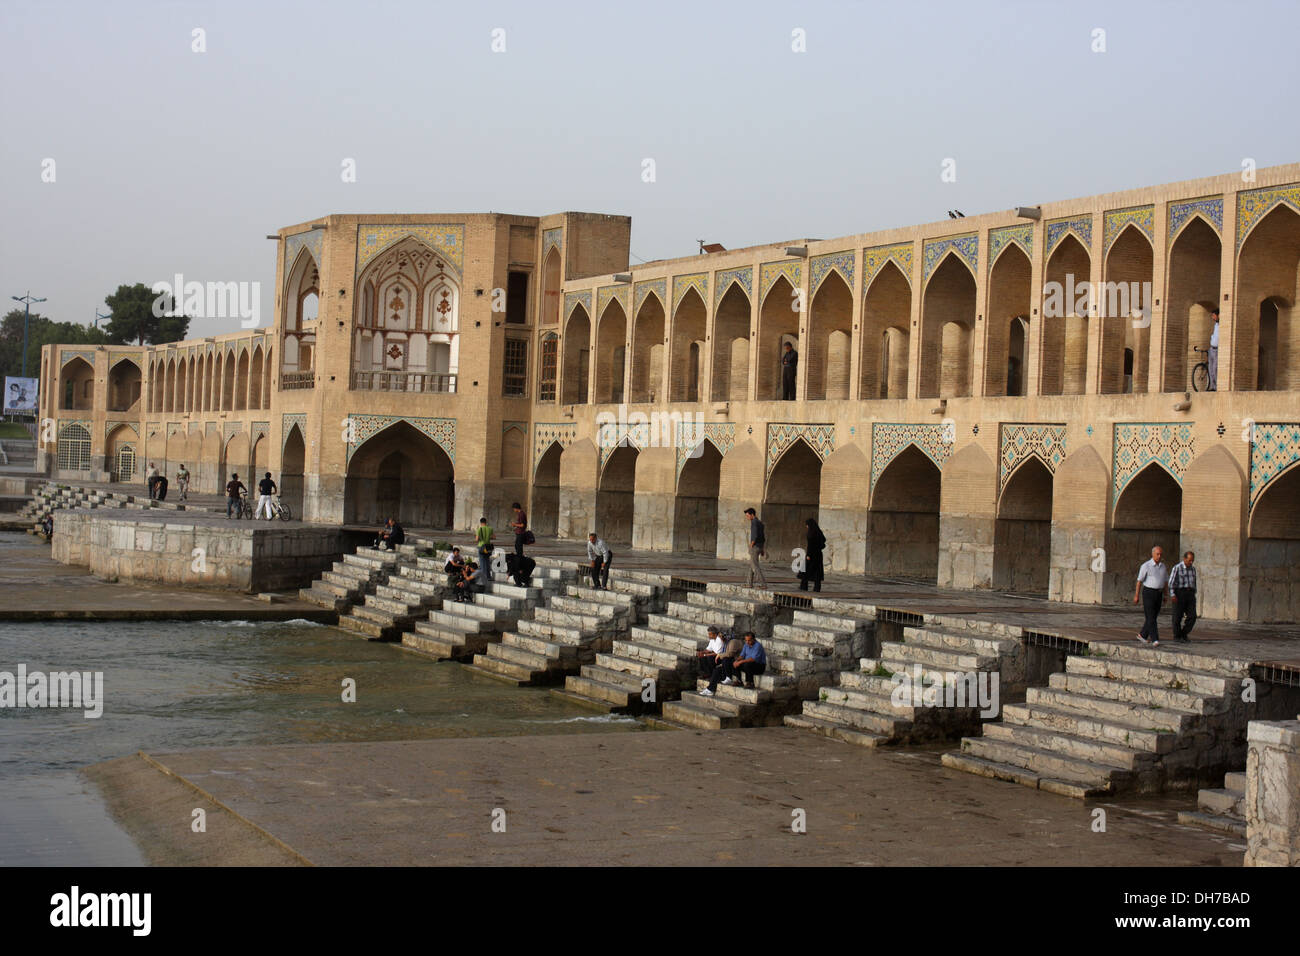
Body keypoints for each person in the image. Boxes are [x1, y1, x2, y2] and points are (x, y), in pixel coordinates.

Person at [1134, 545, 1169, 646]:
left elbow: (1165, 581)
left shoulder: (1163, 566)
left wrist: (1166, 595)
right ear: (1153, 554)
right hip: (1149, 592)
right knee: (1150, 616)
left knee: (1153, 616)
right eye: (1157, 554)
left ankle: (1143, 634)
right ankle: (1155, 639)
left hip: (1159, 593)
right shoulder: (1146, 566)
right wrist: (1136, 595)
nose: (1159, 556)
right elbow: (1139, 581)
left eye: (1160, 554)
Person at [699, 632, 745, 697]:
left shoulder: (733, 642)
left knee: (725, 660)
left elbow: (730, 654)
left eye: (721, 637)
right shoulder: (726, 643)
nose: (720, 639)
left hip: (736, 665)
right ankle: (710, 690)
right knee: (716, 671)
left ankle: (729, 678)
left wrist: (719, 655)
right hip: (728, 665)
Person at [1169, 551, 1198, 644]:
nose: (1191, 562)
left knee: (1192, 616)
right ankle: (1177, 636)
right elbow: (1171, 582)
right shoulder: (1177, 568)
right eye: (1189, 560)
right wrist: (1172, 594)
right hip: (1179, 593)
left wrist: (1194, 592)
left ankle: (1184, 633)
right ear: (1184, 559)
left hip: (1190, 593)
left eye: (1192, 561)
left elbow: (1194, 581)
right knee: (1177, 616)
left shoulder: (1193, 569)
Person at [799, 517, 826, 592]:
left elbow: (810, 546)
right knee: (817, 572)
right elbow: (823, 542)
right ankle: (817, 588)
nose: (806, 527)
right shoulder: (819, 532)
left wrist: (808, 555)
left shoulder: (811, 533)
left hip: (811, 555)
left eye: (807, 525)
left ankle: (803, 586)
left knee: (805, 571)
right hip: (818, 555)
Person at [744, 507, 768, 589]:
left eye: (748, 516)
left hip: (755, 546)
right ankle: (749, 583)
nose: (747, 518)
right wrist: (762, 548)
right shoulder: (760, 523)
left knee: (755, 566)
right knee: (752, 565)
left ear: (752, 514)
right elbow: (763, 537)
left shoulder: (754, 522)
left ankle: (763, 584)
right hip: (760, 546)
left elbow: (755, 535)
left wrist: (751, 545)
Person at [476, 517, 495, 581]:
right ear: (486, 522)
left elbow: (477, 539)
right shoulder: (490, 529)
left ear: (481, 523)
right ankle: (488, 576)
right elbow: (493, 537)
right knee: (487, 561)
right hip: (487, 547)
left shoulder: (479, 529)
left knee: (482, 562)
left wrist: (481, 539)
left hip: (481, 546)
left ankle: (484, 577)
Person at [1208, 309, 1219, 391]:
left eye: (1213, 315)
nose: (1212, 317)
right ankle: (1212, 386)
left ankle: (1216, 387)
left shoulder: (1222, 324)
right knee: (1210, 368)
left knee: (1215, 368)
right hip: (1212, 349)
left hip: (1217, 350)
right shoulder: (1216, 325)